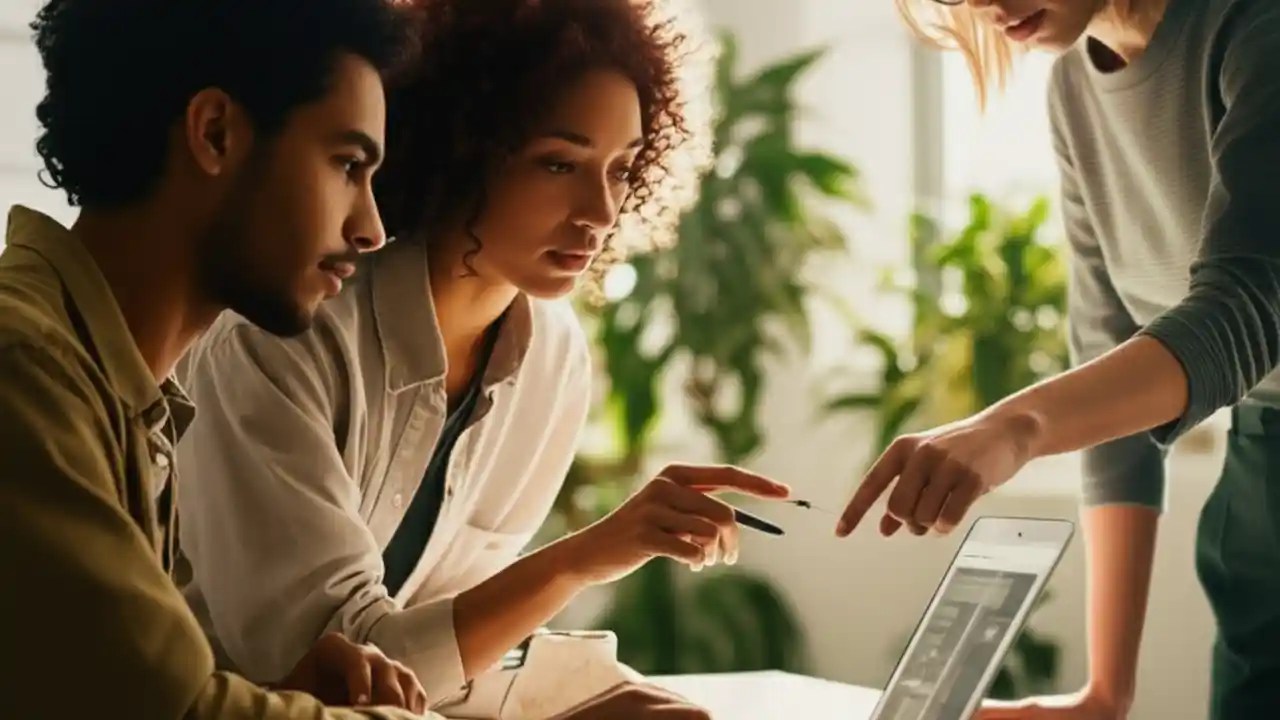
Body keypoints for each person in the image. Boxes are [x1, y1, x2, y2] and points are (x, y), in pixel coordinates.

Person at [176, 0, 775, 714]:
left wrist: (584, 704)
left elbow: (438, 656)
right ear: (462, 147)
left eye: (622, 168)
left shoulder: (553, 362)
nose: (601, 211)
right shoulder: (284, 337)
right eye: (559, 163)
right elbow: (332, 670)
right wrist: (583, 558)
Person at [837, 0, 1280, 718]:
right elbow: (1111, 358)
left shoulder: (1256, 31)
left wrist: (1014, 429)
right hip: (1260, 505)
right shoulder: (1075, 89)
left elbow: (1250, 308)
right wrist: (1105, 695)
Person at [0, 0, 440, 717]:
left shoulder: (123, 391)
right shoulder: (27, 371)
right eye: (347, 165)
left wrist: (278, 699)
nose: (371, 228)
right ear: (215, 133)